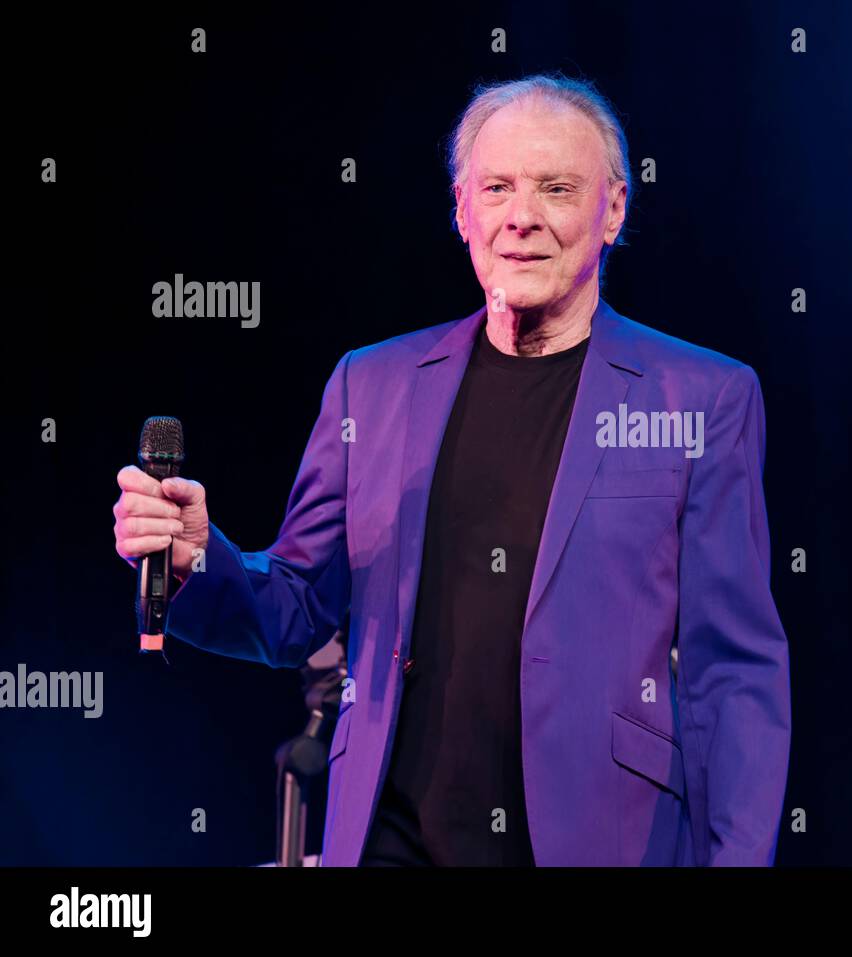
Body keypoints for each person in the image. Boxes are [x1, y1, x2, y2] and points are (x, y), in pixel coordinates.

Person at [112, 73, 791, 866]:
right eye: (496, 187)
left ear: (612, 209)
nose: (522, 217)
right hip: (392, 840)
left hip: (603, 841)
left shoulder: (703, 398)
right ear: (461, 209)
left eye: (556, 188)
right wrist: (200, 556)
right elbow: (297, 609)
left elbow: (732, 675)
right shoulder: (371, 385)